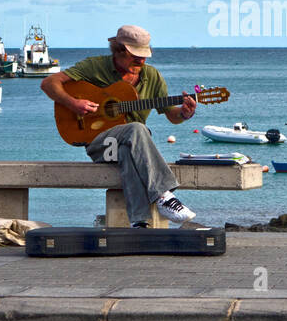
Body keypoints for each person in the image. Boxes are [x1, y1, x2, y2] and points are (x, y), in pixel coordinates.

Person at [41, 25, 197, 228]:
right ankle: (164, 196)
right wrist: (73, 103)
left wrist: (184, 113)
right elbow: (49, 83)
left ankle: (139, 222)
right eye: (135, 56)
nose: (141, 61)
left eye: (144, 56)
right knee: (137, 129)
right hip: (99, 145)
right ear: (119, 50)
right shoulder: (95, 67)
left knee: (127, 149)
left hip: (132, 148)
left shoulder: (152, 77)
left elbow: (172, 115)